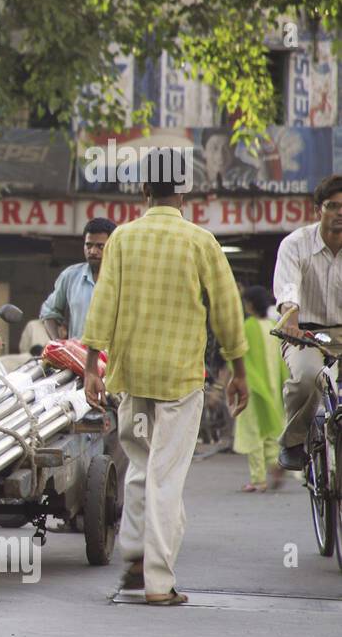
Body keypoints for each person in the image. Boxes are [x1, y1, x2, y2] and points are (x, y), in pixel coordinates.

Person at [82, 155, 248, 606]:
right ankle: (157, 580)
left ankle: (134, 559)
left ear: (143, 193)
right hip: (179, 379)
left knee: (140, 467)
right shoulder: (201, 241)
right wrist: (239, 371)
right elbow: (228, 311)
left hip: (131, 377)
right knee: (166, 475)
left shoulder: (122, 240)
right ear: (184, 195)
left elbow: (103, 304)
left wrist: (90, 366)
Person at [271, 173, 342, 471]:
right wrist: (292, 322)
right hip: (305, 333)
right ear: (318, 210)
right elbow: (289, 292)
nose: (340, 213)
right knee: (308, 377)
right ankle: (294, 440)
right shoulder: (295, 244)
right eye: (333, 206)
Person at [234, 286, 287, 492]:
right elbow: (282, 360)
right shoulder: (273, 326)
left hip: (254, 389)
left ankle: (258, 479)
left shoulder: (248, 326)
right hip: (274, 389)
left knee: (253, 432)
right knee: (272, 430)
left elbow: (241, 358)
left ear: (250, 305)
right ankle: (275, 463)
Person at [41, 217, 116, 341]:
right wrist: (56, 342)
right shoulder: (70, 276)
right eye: (88, 245)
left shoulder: (122, 279)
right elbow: (48, 312)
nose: (92, 251)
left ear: (113, 246)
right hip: (78, 358)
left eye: (100, 246)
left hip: (112, 359)